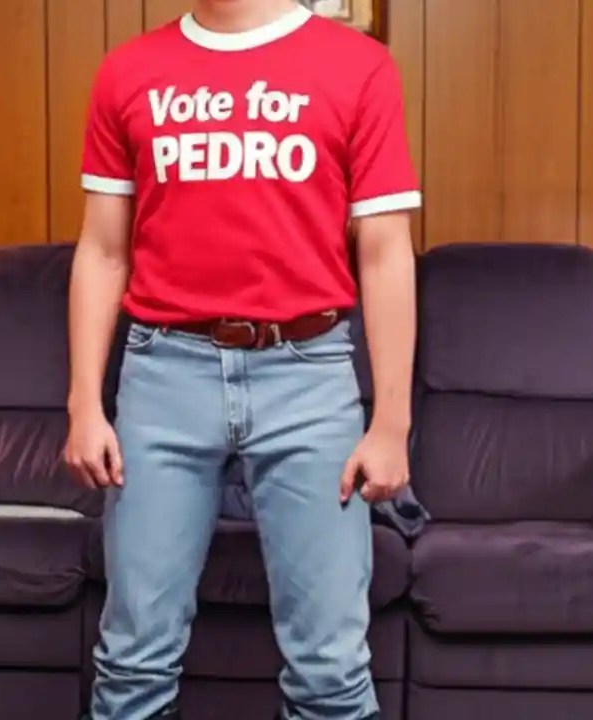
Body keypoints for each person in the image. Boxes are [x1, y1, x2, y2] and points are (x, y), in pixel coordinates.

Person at [63, 1, 419, 718]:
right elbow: (103, 250)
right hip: (164, 374)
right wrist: (83, 403)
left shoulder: (359, 67)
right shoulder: (128, 72)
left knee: (330, 667)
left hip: (309, 375)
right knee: (133, 658)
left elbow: (383, 252)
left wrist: (391, 425)